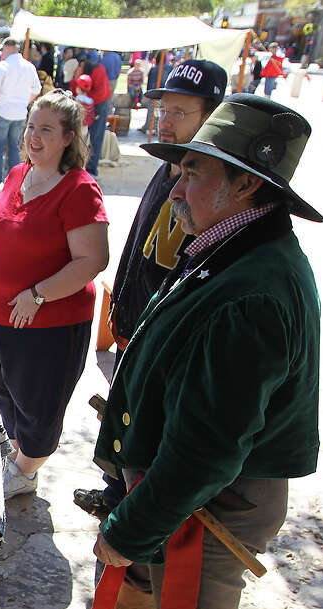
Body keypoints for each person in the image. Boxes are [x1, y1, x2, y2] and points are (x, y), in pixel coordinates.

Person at [65, 94, 322, 609]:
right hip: (185, 476)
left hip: (221, 494)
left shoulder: (255, 292)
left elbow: (209, 450)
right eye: (179, 169)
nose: (176, 184)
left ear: (247, 186)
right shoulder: (230, 246)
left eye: (193, 171)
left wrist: (134, 521)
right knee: (145, 567)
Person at [72, 59, 228, 521]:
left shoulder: (206, 178)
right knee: (122, 418)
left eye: (181, 112)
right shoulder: (169, 162)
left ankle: (129, 514)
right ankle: (112, 491)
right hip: (133, 324)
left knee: (146, 430)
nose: (166, 119)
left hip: (162, 335)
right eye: (164, 108)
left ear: (211, 116)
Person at [0, 90, 109, 498]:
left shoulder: (79, 190)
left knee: (38, 404)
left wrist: (38, 294)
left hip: (47, 324)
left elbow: (92, 260)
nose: (34, 135)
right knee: (4, 390)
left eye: (46, 129)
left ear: (68, 136)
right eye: (31, 126)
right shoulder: (17, 174)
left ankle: (26, 470)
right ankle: (19, 450)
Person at [0, 37, 41, 190]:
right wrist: (25, 102)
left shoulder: (3, 66)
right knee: (14, 148)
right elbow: (36, 89)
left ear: (7, 49)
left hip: (3, 110)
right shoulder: (29, 67)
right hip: (19, 112)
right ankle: (14, 183)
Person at [84, 56, 114, 177]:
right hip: (92, 102)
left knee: (95, 137)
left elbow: (101, 93)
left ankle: (91, 169)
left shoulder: (98, 70)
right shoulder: (88, 70)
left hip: (100, 104)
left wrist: (87, 101)